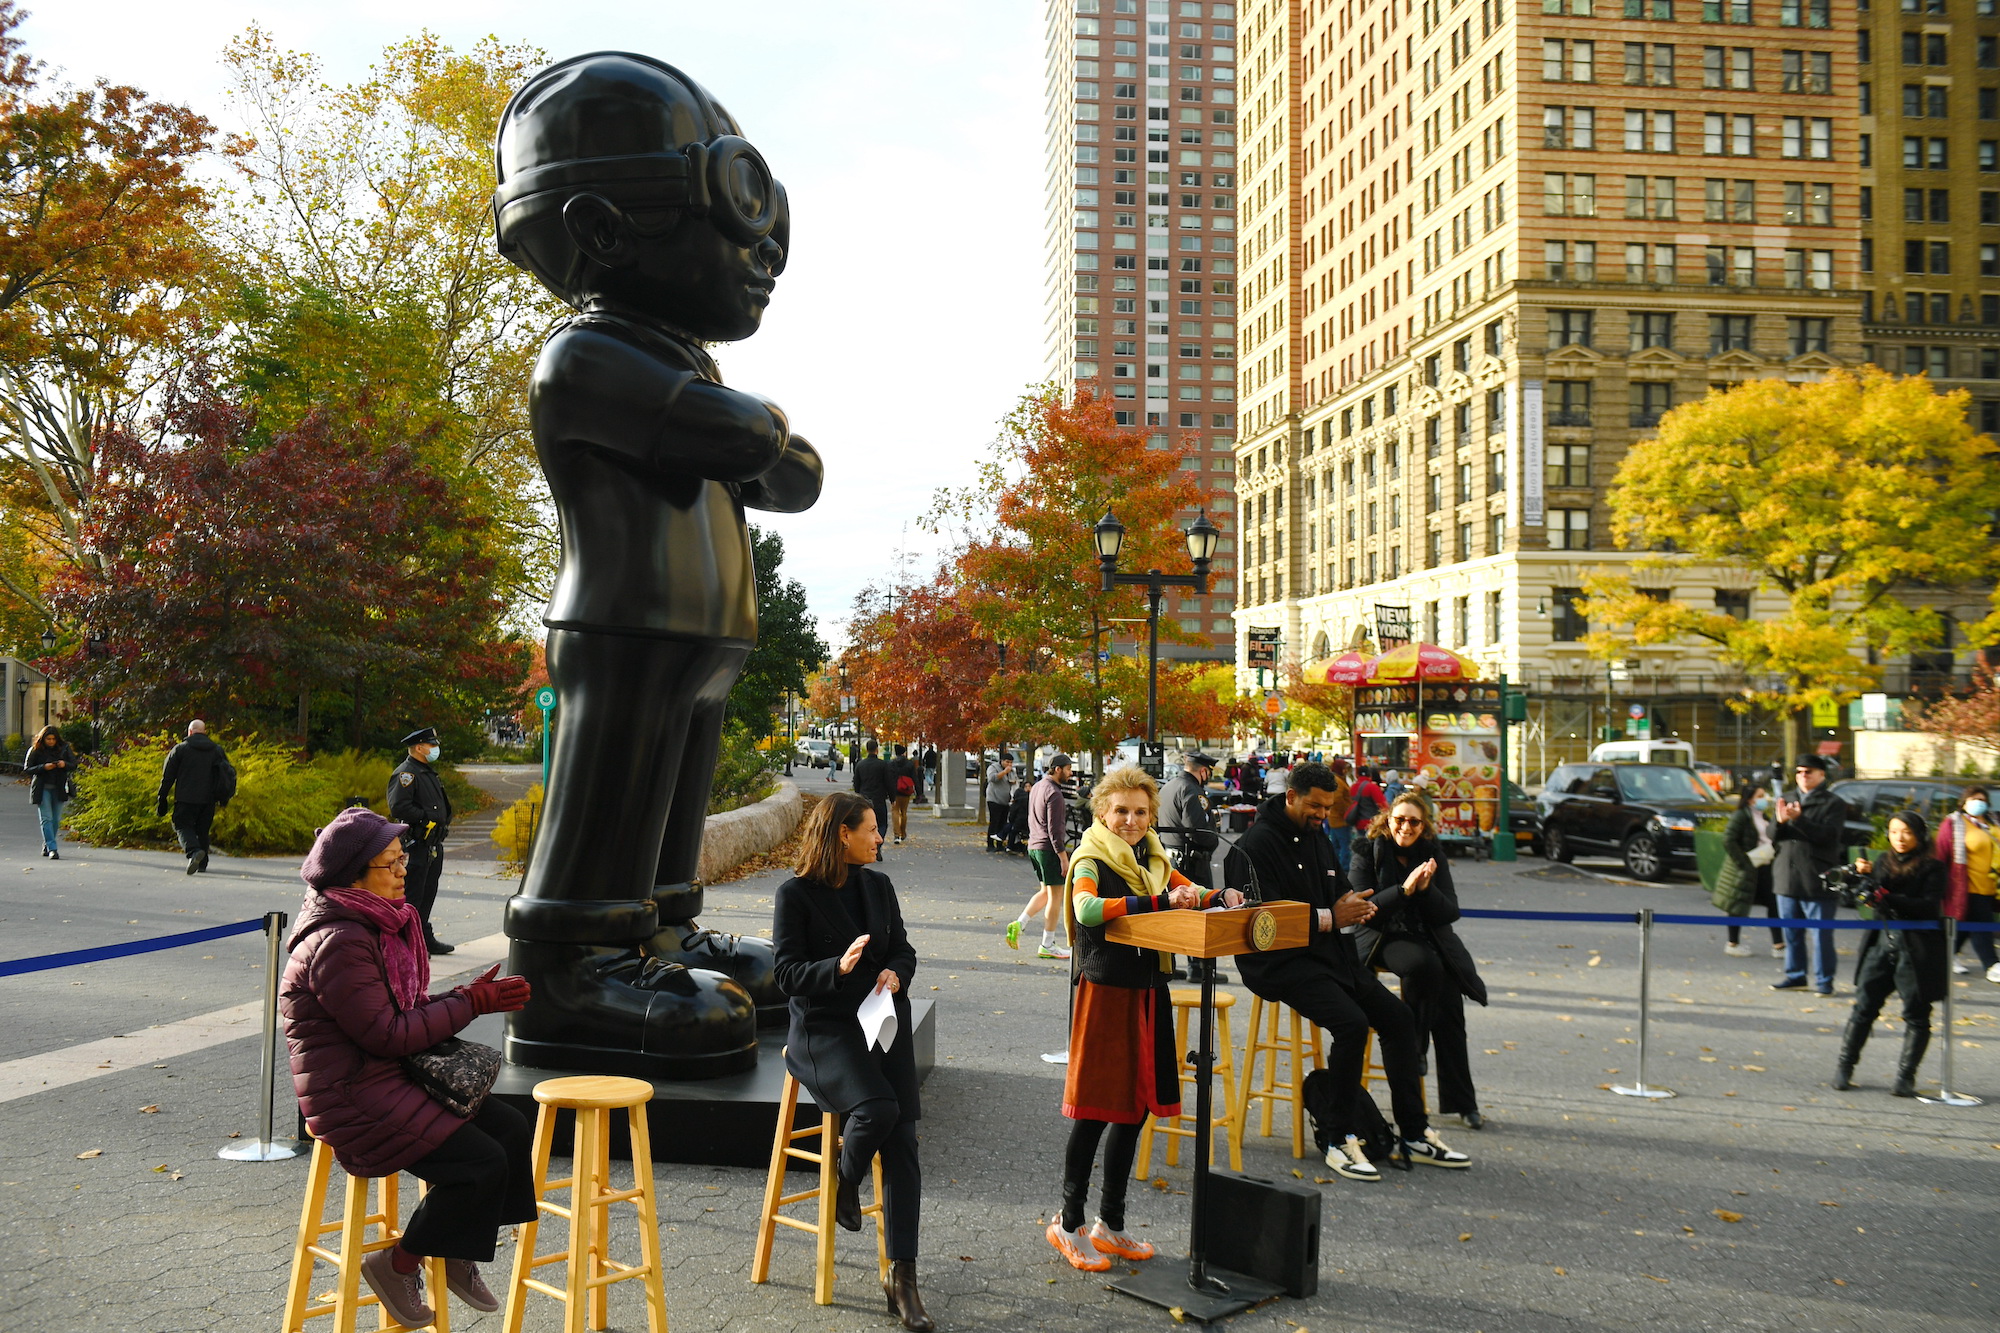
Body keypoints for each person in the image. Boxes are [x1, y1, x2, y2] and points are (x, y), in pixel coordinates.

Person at [281, 806, 535, 1327]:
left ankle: (457, 1244)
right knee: (481, 1163)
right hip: (350, 1094)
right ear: (353, 875)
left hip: (386, 1074)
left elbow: (399, 1011)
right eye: (391, 863)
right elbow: (389, 1033)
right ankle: (397, 1264)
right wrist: (472, 1003)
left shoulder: (376, 923)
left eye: (403, 858)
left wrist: (465, 995)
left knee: (510, 1128)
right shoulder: (339, 941)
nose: (404, 870)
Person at [1234, 762, 1470, 1181]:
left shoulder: (1317, 836)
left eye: (1328, 808)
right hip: (1280, 963)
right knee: (1352, 1025)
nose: (1323, 815)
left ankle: (1414, 1132)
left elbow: (1342, 892)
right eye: (1315, 806)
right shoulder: (1255, 844)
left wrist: (1360, 902)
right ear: (1291, 796)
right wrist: (1331, 916)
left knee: (1399, 1019)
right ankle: (1338, 1137)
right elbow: (1262, 924)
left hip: (1330, 956)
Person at [1048, 766, 1242, 1272]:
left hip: (1150, 990)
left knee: (1136, 1108)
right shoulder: (1091, 857)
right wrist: (1159, 901)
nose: (1131, 820)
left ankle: (1110, 1222)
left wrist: (1220, 897)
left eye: (1140, 812)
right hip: (1106, 993)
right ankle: (1067, 1223)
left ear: (1152, 815)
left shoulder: (1153, 856)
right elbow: (1087, 909)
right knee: (1095, 1110)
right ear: (1101, 813)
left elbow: (1188, 890)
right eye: (1121, 811)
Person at [770, 793, 931, 1331]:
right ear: (843, 833)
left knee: (903, 1141)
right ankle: (845, 1179)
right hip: (824, 1029)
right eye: (872, 828)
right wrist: (836, 969)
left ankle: (902, 1278)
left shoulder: (878, 886)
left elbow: (903, 949)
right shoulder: (794, 895)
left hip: (879, 1022)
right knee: (880, 1109)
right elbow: (786, 974)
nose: (880, 837)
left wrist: (896, 973)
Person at [1350, 795, 1490, 1131]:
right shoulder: (1366, 851)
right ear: (1388, 820)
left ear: (1423, 826)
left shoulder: (1432, 854)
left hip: (1426, 935)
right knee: (1423, 965)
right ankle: (1416, 1047)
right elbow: (1362, 910)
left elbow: (1450, 912)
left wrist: (1426, 891)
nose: (1406, 827)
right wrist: (1404, 890)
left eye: (1414, 821)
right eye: (1400, 819)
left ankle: (1463, 1102)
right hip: (1381, 937)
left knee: (1450, 998)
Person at [1835, 812, 1949, 1096]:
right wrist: (1859, 879)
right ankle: (1844, 1067)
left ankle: (1905, 1077)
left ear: (1920, 835)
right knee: (1863, 1008)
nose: (1899, 838)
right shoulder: (1882, 863)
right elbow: (1859, 899)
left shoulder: (1933, 867)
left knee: (1917, 1014)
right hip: (1880, 944)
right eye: (1894, 831)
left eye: (1907, 832)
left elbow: (1928, 906)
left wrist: (1886, 896)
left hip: (1917, 948)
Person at [1771, 755, 1850, 996]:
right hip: (1787, 876)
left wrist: (1800, 820)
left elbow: (1829, 836)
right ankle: (1795, 975)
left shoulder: (1833, 803)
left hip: (1817, 877)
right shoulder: (1786, 798)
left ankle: (1824, 980)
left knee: (1820, 935)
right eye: (1799, 771)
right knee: (1791, 933)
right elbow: (1771, 835)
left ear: (1821, 775)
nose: (1803, 775)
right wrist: (1780, 822)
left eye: (1809, 771)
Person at [389, 727, 456, 956]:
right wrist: (426, 818)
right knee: (413, 895)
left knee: (428, 892)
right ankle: (408, 942)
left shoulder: (426, 772)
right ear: (419, 747)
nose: (435, 749)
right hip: (416, 843)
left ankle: (423, 936)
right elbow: (399, 806)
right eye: (431, 745)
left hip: (432, 843)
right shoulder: (407, 773)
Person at [1007, 754, 1076, 959]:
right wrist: (1063, 857)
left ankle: (1019, 924)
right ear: (1057, 769)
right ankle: (1047, 944)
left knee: (1045, 891)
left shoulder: (1037, 787)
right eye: (1068, 769)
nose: (1071, 773)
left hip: (1035, 846)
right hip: (1049, 849)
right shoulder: (1055, 793)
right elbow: (1055, 830)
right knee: (1056, 897)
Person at [155, 719, 236, 875]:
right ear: (204, 732)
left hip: (185, 798)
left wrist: (162, 797)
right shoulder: (217, 750)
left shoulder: (180, 749)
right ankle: (202, 864)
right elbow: (226, 775)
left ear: (190, 732)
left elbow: (168, 777)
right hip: (208, 799)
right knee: (202, 830)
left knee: (181, 825)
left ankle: (194, 852)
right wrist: (224, 797)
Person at [1713, 786, 1784, 958]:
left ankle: (1779, 945)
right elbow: (1728, 840)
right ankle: (1732, 943)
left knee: (1773, 904)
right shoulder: (1741, 816)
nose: (1764, 799)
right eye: (1760, 796)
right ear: (1750, 799)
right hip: (1745, 868)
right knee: (1737, 904)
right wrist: (1743, 862)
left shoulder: (1763, 815)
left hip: (1764, 865)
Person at [1936, 786, 1998, 982]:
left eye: (1982, 799)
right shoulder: (1954, 823)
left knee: (1964, 924)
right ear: (1963, 803)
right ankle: (1991, 964)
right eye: (1973, 799)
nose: (1978, 803)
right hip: (1966, 885)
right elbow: (1941, 853)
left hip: (1992, 885)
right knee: (1982, 923)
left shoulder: (1993, 823)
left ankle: (1946, 955)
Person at [1157, 751, 1220, 889]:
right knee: (1201, 900)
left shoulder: (1167, 787)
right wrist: (1213, 841)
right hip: (1191, 865)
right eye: (1208, 773)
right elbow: (1196, 830)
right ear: (1203, 771)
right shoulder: (1191, 790)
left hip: (1170, 859)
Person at [23, 725, 77, 860]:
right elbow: (27, 768)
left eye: (53, 739)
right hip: (42, 788)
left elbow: (74, 764)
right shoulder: (36, 750)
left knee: (55, 820)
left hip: (59, 788)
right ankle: (53, 848)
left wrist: (64, 764)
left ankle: (47, 844)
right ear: (43, 739)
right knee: (46, 818)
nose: (51, 741)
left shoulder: (64, 748)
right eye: (48, 739)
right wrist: (43, 767)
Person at [852, 741, 891, 860]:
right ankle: (878, 844)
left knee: (866, 825)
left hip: (865, 799)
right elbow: (888, 782)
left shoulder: (860, 765)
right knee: (882, 823)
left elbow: (856, 782)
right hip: (879, 799)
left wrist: (858, 795)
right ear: (877, 749)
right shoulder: (883, 765)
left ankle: (870, 846)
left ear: (866, 749)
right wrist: (892, 797)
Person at [1322, 758, 1357, 871]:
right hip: (1341, 820)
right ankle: (1343, 868)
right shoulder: (1338, 781)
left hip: (1335, 819)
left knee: (1336, 845)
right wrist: (1346, 812)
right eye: (1344, 768)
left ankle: (1335, 867)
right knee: (1344, 845)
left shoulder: (1338, 779)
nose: (1346, 771)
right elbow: (1337, 800)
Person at [886, 744, 919, 845]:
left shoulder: (891, 763)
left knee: (895, 811)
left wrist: (887, 791)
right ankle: (903, 832)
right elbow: (915, 778)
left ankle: (896, 835)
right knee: (904, 812)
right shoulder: (909, 764)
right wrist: (919, 792)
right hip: (906, 790)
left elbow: (888, 778)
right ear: (904, 752)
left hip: (895, 790)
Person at [984, 752, 1016, 853]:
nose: (1009, 764)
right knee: (994, 821)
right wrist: (1004, 772)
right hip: (994, 799)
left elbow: (1014, 781)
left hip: (1005, 800)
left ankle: (999, 844)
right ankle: (990, 844)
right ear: (1002, 761)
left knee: (1003, 823)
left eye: (1011, 762)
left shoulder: (1012, 770)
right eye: (1007, 762)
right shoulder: (993, 767)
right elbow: (992, 778)